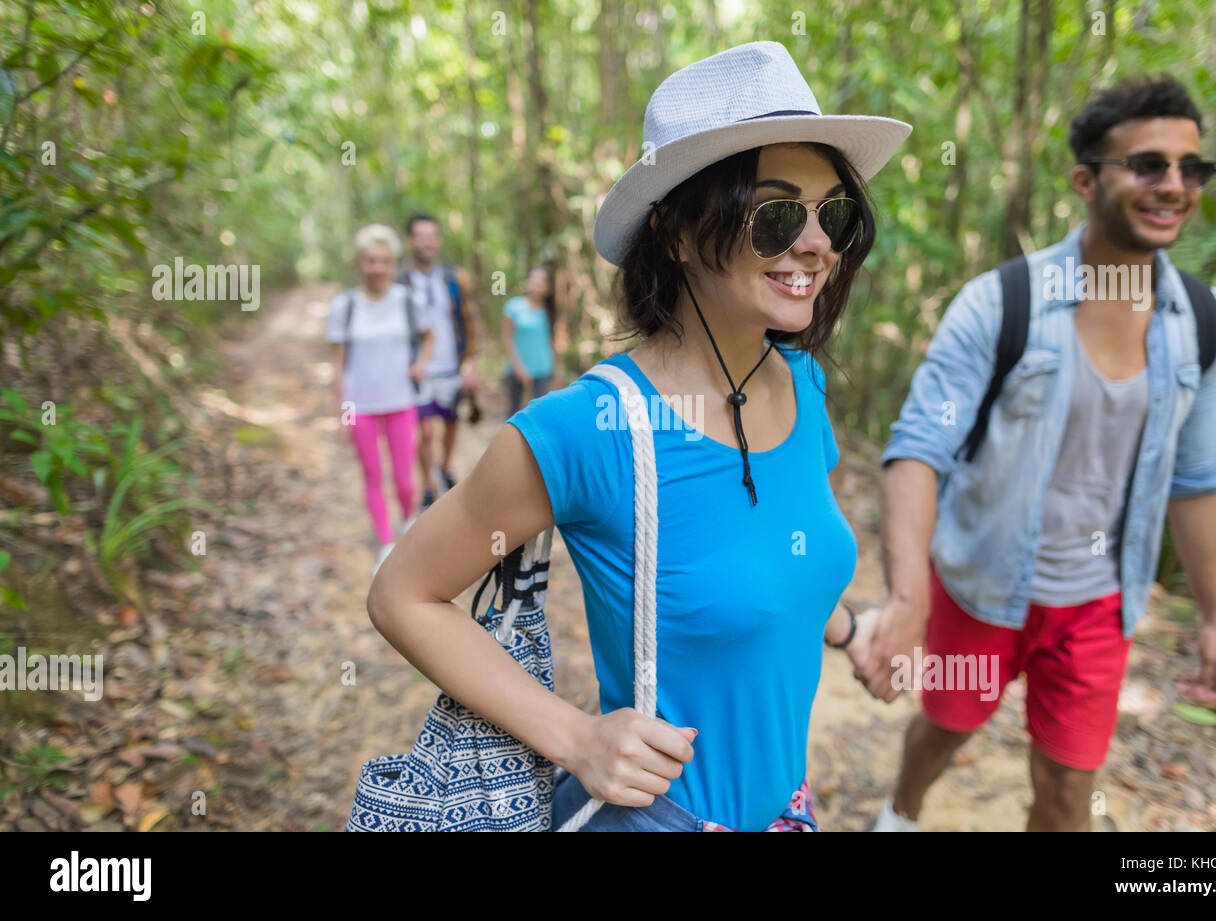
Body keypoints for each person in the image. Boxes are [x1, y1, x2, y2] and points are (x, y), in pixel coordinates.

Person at [366, 42, 910, 831]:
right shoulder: (589, 428)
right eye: (779, 213)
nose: (817, 242)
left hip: (790, 811)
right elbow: (401, 593)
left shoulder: (805, 384)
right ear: (680, 233)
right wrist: (577, 736)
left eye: (836, 214)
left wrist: (851, 631)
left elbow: (773, 554)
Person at [861, 76, 1216, 832]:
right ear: (1085, 178)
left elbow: (1199, 478)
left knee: (1069, 792)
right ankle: (900, 813)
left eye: (1190, 168)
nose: (1173, 185)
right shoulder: (1002, 303)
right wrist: (909, 598)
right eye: (1148, 165)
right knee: (945, 728)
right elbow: (919, 449)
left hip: (1100, 604)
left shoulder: (1203, 319)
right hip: (978, 584)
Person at [327, 224, 434, 574]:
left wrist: (420, 363)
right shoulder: (345, 306)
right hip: (361, 408)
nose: (378, 268)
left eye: (384, 261)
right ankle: (386, 544)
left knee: (404, 479)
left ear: (393, 263)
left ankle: (407, 519)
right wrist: (341, 415)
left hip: (401, 402)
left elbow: (429, 335)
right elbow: (339, 363)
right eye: (371, 261)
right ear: (360, 263)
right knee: (373, 476)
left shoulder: (406, 300)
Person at [403, 212, 481, 507]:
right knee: (424, 430)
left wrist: (471, 363)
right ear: (410, 240)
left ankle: (445, 467)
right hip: (418, 370)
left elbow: (468, 321)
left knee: (451, 423)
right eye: (420, 236)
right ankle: (426, 485)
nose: (427, 243)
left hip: (451, 365)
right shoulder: (401, 281)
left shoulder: (453, 278)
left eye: (432, 236)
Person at [502, 266, 558, 415]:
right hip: (517, 369)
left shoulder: (549, 312)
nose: (535, 286)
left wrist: (558, 370)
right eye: (533, 281)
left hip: (543, 369)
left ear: (547, 288)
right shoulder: (513, 306)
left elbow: (553, 342)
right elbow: (506, 338)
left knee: (540, 413)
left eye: (540, 283)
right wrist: (519, 368)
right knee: (514, 413)